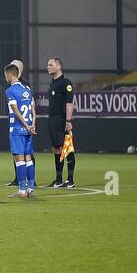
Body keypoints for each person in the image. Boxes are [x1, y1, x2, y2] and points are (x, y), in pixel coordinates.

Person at [4, 62, 37, 198]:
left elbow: (15, 110)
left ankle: (22, 191)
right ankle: (31, 188)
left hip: (18, 129)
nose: (5, 78)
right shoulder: (27, 89)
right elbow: (33, 110)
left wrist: (25, 125)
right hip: (29, 128)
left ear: (10, 75)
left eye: (6, 75)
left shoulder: (10, 91)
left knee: (19, 159)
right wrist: (32, 125)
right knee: (28, 158)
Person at [45, 58, 76, 188]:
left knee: (67, 148)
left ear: (58, 66)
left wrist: (68, 121)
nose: (48, 67)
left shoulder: (65, 83)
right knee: (56, 148)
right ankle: (58, 179)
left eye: (50, 64)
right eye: (48, 65)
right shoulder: (52, 83)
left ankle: (70, 180)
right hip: (53, 119)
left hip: (62, 119)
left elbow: (69, 103)